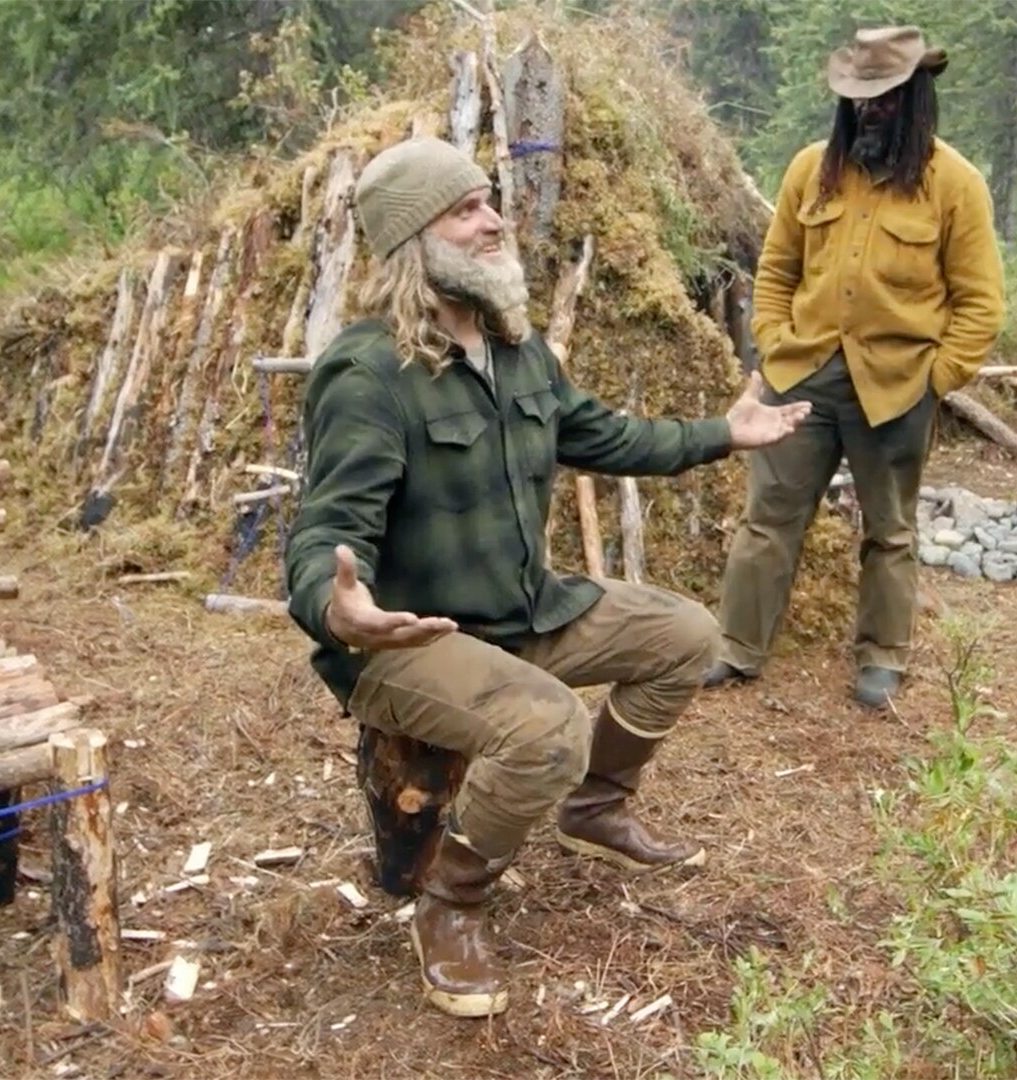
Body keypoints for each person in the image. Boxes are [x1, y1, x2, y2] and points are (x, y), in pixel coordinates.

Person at [282, 136, 813, 1018]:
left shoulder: (515, 351)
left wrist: (724, 432)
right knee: (546, 726)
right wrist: (341, 612)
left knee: (684, 634)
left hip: (523, 610)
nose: (494, 220)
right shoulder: (369, 373)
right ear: (417, 238)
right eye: (466, 209)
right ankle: (450, 902)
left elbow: (606, 437)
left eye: (489, 201)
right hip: (416, 640)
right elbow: (326, 529)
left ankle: (595, 808)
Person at [702, 26, 1006, 709]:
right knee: (769, 514)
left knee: (890, 528)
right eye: (860, 99)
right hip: (802, 372)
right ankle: (738, 646)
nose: (871, 110)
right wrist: (774, 342)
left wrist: (936, 380)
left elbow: (981, 303)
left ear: (916, 98)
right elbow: (777, 267)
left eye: (887, 99)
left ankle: (882, 657)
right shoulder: (812, 168)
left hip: (897, 385)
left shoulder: (954, 184)